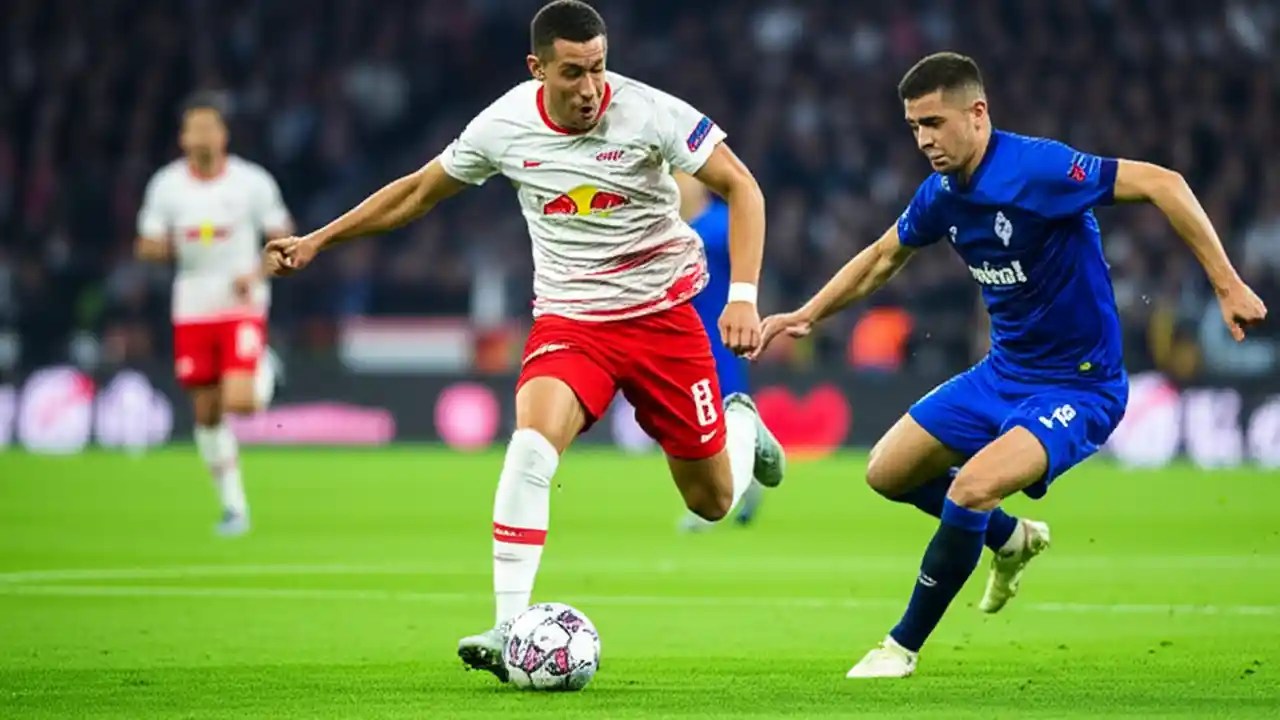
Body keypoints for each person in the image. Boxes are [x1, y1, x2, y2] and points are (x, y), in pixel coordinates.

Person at [263, 0, 785, 682]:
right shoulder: (504, 125)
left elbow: (742, 187)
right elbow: (419, 192)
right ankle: (510, 625)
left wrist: (743, 296)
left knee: (712, 502)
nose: (591, 87)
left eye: (599, 68)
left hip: (663, 319)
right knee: (532, 446)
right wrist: (318, 239)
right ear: (537, 68)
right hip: (572, 323)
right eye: (573, 72)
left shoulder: (650, 111)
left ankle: (741, 425)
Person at [754, 52, 1267, 679]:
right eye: (914, 127)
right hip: (1000, 375)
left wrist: (1226, 284)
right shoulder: (941, 192)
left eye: (935, 124)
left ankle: (901, 646)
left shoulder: (1040, 169)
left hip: (1080, 386)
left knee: (970, 487)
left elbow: (1165, 183)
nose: (924, 141)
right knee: (887, 473)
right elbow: (885, 256)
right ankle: (1009, 537)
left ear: (978, 113)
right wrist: (807, 315)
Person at [136, 93, 292, 537]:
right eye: (194, 128)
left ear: (223, 135)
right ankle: (234, 508)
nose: (203, 135)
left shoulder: (251, 183)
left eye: (211, 127)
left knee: (239, 402)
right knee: (206, 412)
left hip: (242, 301)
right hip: (191, 305)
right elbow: (146, 242)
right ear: (183, 138)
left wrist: (257, 271)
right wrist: (168, 246)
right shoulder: (166, 186)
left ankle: (265, 365)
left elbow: (284, 238)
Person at [674, 172, 771, 531]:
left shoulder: (719, 223)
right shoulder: (669, 225)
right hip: (680, 338)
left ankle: (719, 499)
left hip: (720, 335)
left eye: (682, 175)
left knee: (721, 412)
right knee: (690, 418)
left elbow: (750, 255)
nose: (677, 184)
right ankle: (743, 482)